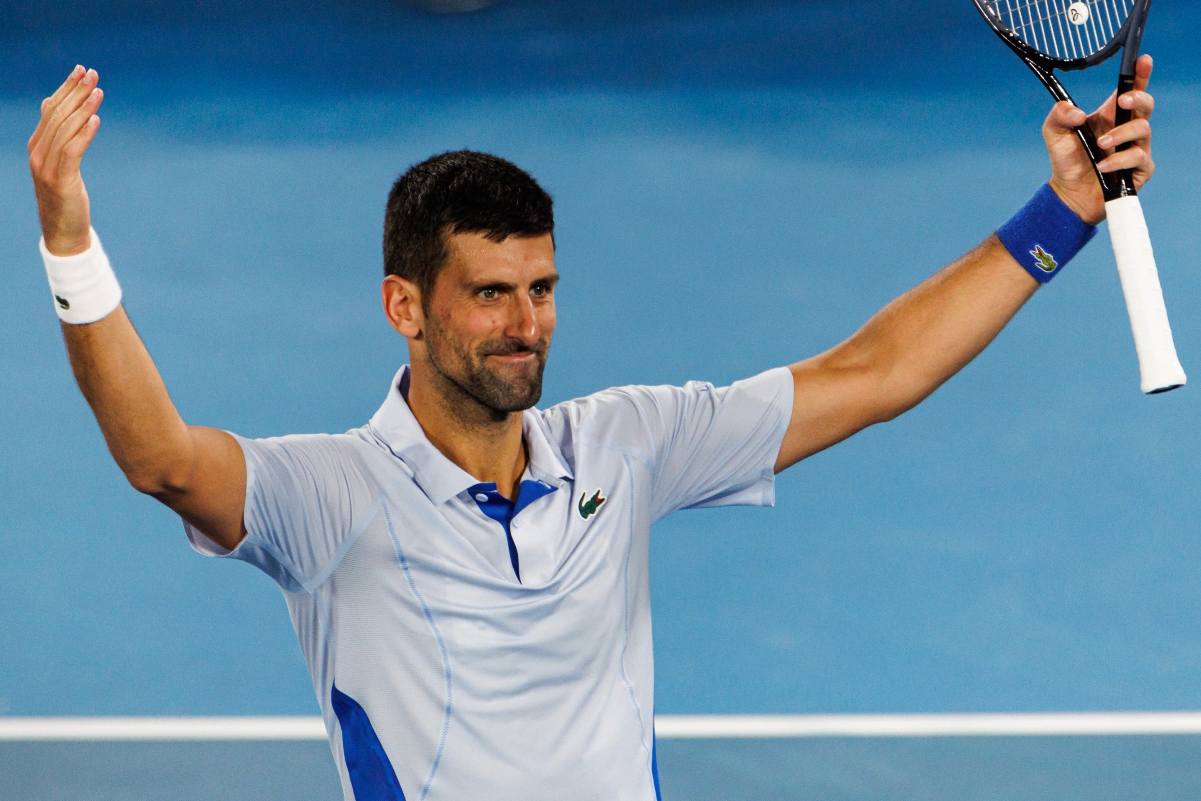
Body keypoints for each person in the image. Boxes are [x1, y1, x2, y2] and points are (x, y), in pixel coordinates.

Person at [28, 59, 1157, 800]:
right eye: (490, 295)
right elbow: (160, 458)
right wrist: (69, 243)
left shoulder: (625, 442)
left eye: (542, 289)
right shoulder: (330, 497)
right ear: (404, 306)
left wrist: (1063, 211)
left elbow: (874, 373)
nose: (527, 327)